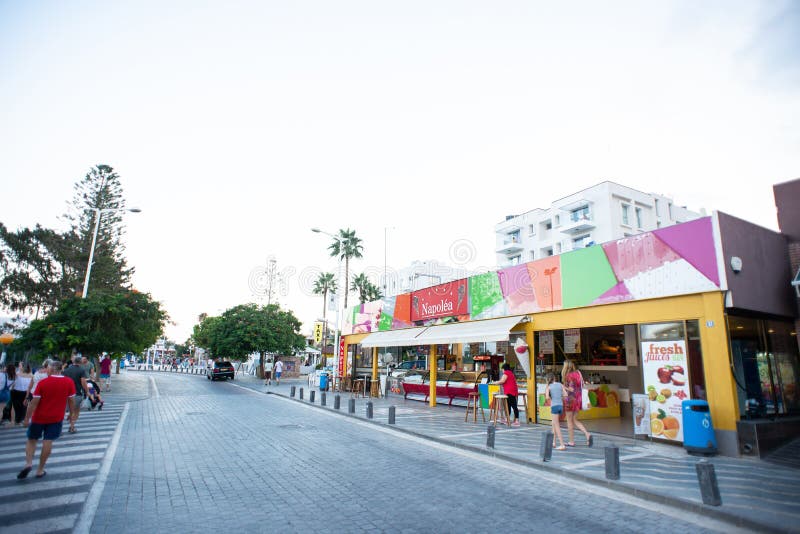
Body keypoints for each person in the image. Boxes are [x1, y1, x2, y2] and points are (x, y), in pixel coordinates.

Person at [17, 359, 78, 480]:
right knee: (48, 441)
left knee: (32, 439)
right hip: (56, 418)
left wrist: (26, 418)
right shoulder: (69, 382)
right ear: (61, 370)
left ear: (50, 369)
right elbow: (71, 401)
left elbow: (33, 403)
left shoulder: (43, 383)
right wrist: (71, 415)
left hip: (39, 417)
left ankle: (29, 463)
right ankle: (40, 470)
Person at [561, 359, 592, 447]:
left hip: (570, 400)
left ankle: (571, 441)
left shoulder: (568, 376)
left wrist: (563, 386)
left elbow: (571, 389)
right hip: (578, 400)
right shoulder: (578, 373)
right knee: (575, 420)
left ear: (566, 367)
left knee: (569, 421)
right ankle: (587, 434)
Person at [62, 356, 89, 433]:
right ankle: (72, 427)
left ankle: (69, 417)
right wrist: (87, 391)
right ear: (80, 362)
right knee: (76, 411)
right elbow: (83, 382)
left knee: (69, 410)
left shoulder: (66, 370)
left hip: (66, 393)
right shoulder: (81, 370)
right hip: (77, 393)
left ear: (73, 362)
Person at [545, 373, 567, 450]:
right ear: (554, 378)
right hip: (560, 406)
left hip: (554, 406)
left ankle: (562, 444)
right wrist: (560, 398)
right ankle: (553, 442)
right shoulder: (560, 384)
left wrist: (552, 400)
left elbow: (547, 397)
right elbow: (565, 394)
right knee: (554, 424)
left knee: (556, 425)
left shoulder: (548, 387)